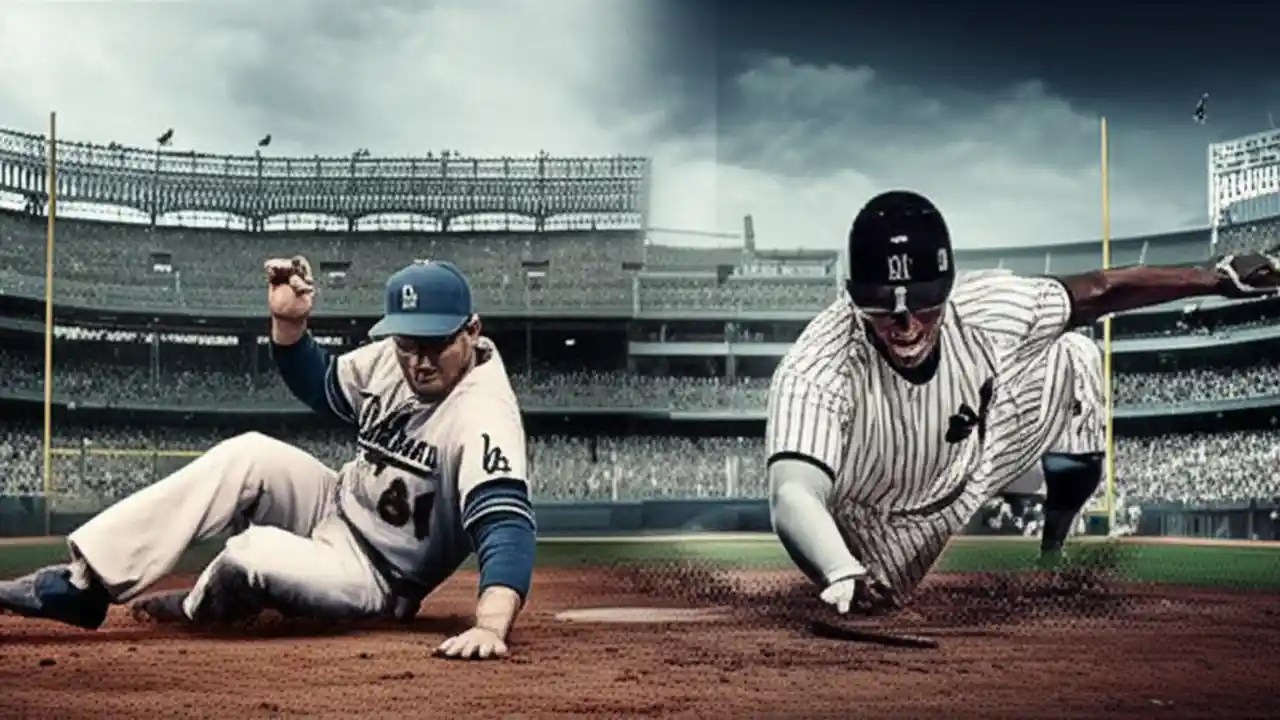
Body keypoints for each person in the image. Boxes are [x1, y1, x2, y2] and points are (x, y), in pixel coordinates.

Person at [766, 190, 1279, 614]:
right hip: (878, 521)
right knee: (873, 601)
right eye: (883, 306)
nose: (905, 325)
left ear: (947, 288)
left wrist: (1216, 276)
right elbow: (793, 493)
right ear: (853, 297)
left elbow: (1099, 290)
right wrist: (838, 566)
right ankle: (863, 578)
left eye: (922, 303)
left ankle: (1052, 552)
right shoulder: (817, 367)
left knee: (1076, 355)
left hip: (985, 449)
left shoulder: (989, 310)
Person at [0, 257, 536, 661]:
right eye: (406, 342)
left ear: (472, 330)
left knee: (251, 555)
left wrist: (490, 626)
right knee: (248, 451)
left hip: (377, 572)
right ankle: (83, 583)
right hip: (333, 504)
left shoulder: (484, 412)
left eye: (435, 343)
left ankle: (195, 607)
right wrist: (290, 328)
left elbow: (505, 527)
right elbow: (322, 384)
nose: (418, 360)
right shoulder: (390, 359)